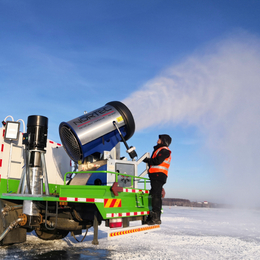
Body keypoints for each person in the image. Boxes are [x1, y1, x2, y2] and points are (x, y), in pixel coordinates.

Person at [143, 134, 172, 225]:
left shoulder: (164, 150)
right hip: (156, 176)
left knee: (156, 196)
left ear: (163, 140)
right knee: (154, 195)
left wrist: (147, 160)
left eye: (159, 139)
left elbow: (157, 161)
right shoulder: (160, 149)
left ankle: (156, 218)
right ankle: (153, 217)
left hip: (158, 175)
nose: (157, 141)